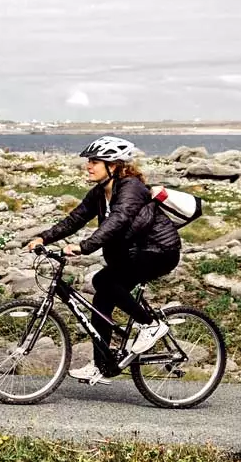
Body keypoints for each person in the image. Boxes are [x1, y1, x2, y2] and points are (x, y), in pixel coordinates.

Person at [25, 136, 182, 384]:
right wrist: (44, 238)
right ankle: (102, 364)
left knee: (105, 282)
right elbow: (75, 219)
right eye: (89, 161)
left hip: (159, 251)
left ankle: (150, 324)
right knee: (102, 294)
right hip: (132, 254)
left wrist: (84, 247)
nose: (89, 166)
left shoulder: (131, 188)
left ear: (114, 165)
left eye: (95, 161)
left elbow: (117, 221)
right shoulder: (100, 193)